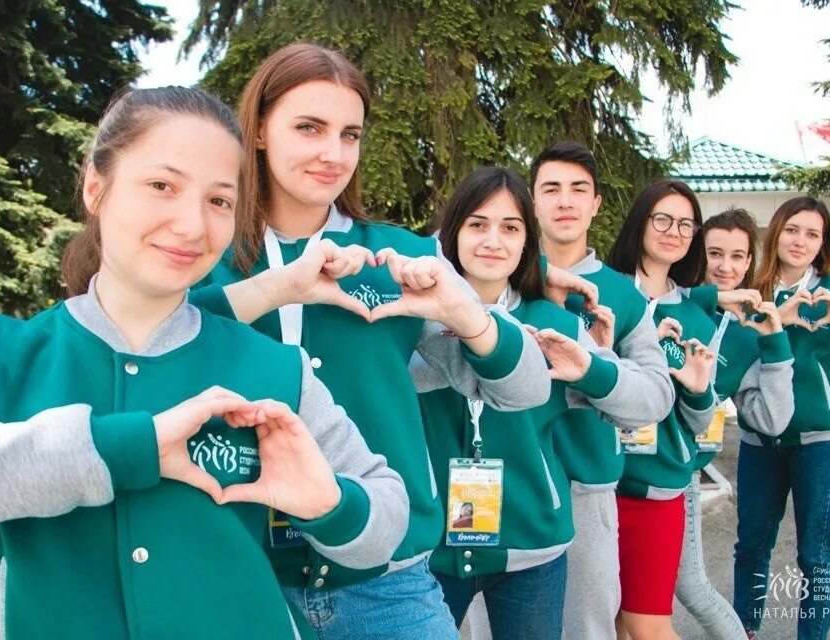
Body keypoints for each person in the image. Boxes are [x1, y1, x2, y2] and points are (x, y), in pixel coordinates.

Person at [0, 86, 408, 640]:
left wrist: (331, 503)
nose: (192, 226)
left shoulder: (275, 369)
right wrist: (128, 448)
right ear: (95, 187)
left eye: (219, 201)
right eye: (161, 186)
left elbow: (385, 511)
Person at [188, 45, 568, 640]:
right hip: (239, 573)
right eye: (309, 127)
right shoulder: (201, 250)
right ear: (259, 129)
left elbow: (525, 389)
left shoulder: (401, 259)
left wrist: (466, 311)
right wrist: (275, 289)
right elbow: (147, 341)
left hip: (387, 580)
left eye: (350, 134)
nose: (332, 153)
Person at [416, 166, 662, 639]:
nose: (493, 240)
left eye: (510, 228)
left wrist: (593, 367)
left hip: (532, 544)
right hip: (430, 544)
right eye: (477, 224)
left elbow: (649, 402)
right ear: (451, 234)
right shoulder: (417, 317)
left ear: (527, 242)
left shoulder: (557, 323)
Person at [530, 141, 675, 640]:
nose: (565, 201)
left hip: (586, 492)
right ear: (532, 202)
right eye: (551, 189)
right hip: (506, 489)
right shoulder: (496, 274)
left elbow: (655, 399)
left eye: (578, 190)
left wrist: (594, 368)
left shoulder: (624, 296)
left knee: (588, 629)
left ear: (595, 204)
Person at [733, 196, 830, 640]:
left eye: (812, 234)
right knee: (752, 546)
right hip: (760, 441)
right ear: (775, 232)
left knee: (817, 554)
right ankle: (744, 630)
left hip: (823, 444)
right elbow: (729, 362)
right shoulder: (746, 293)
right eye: (793, 229)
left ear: (823, 245)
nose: (800, 241)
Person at [674, 208, 795, 640]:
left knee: (691, 586)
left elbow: (771, 418)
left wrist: (776, 344)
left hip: (680, 469)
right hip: (618, 465)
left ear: (749, 262)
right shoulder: (672, 301)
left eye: (737, 256)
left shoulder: (749, 333)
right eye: (715, 253)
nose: (725, 266)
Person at [606, 179, 719, 640]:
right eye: (663, 219)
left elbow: (699, 423)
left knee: (647, 622)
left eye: (686, 224)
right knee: (604, 622)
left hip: (657, 489)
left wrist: (695, 392)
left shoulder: (697, 317)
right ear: (641, 222)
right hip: (596, 483)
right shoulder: (602, 293)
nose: (674, 231)